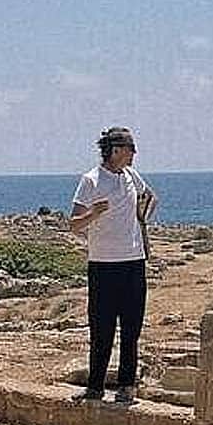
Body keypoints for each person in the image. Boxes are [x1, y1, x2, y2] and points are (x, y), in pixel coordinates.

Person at [69, 126, 158, 403]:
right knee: (102, 329)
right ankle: (95, 386)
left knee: (132, 328)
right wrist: (94, 214)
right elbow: (74, 224)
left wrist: (141, 220)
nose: (134, 154)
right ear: (116, 150)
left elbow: (150, 198)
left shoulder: (131, 176)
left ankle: (127, 385)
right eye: (131, 148)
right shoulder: (91, 180)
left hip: (134, 262)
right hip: (103, 264)